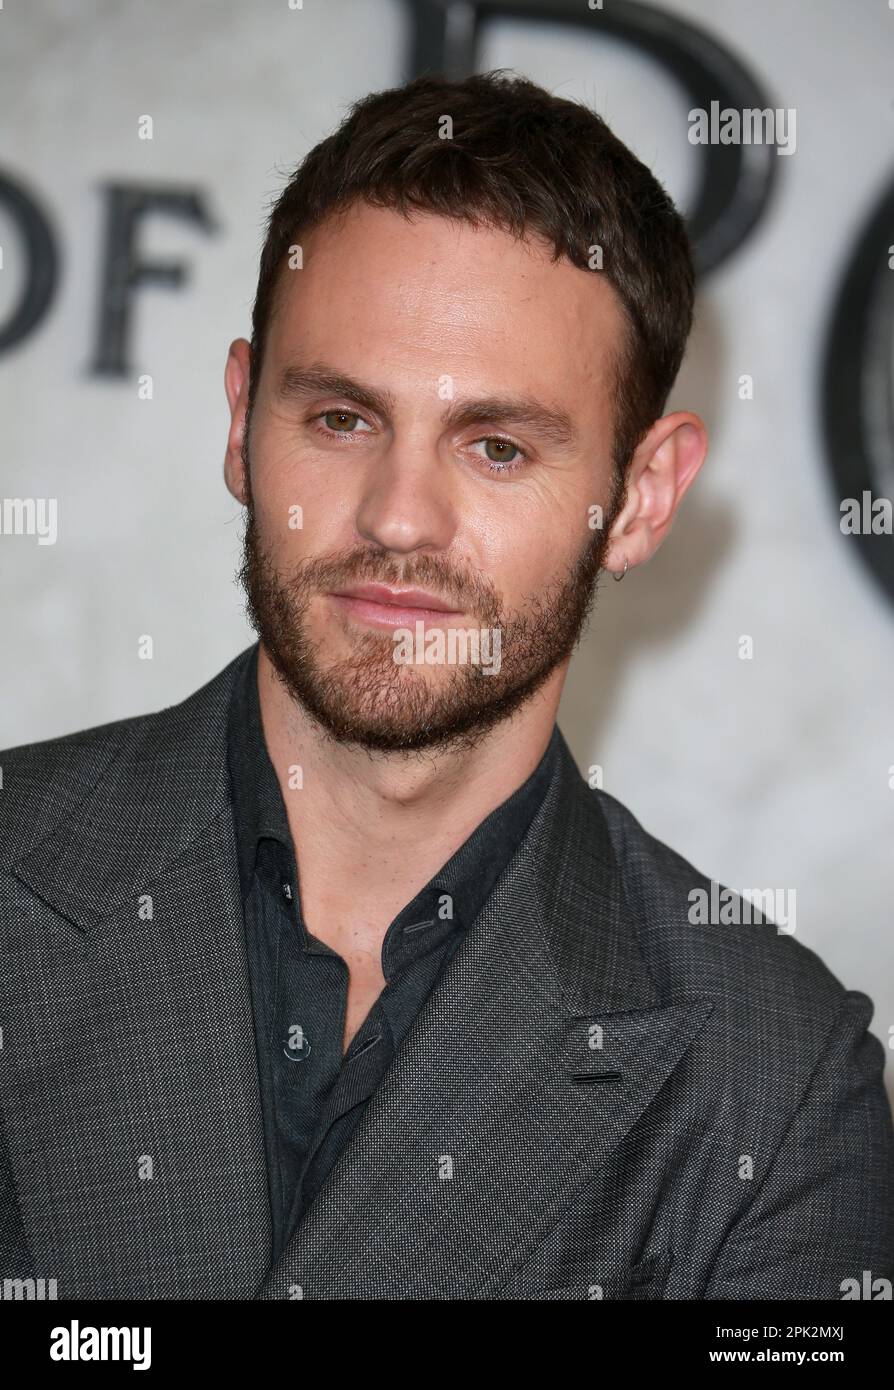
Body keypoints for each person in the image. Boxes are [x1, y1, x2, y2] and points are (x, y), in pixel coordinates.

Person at [1, 71, 891, 1301]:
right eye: (342, 419)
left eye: (497, 446)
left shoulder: (777, 1086)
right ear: (239, 420)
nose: (398, 516)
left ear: (638, 500)